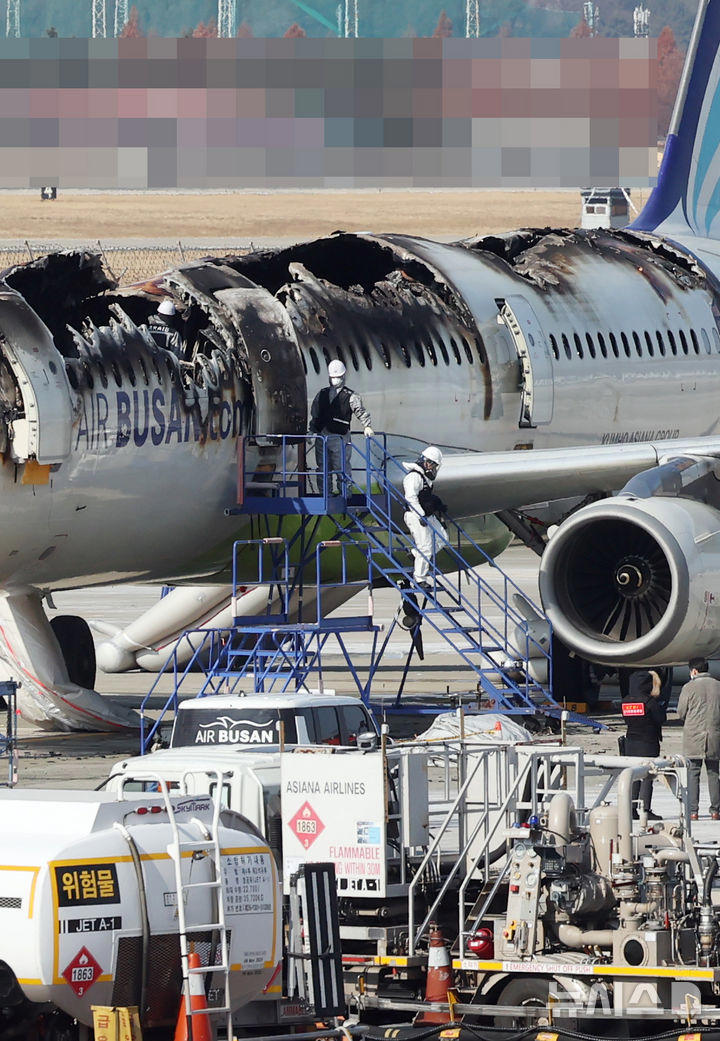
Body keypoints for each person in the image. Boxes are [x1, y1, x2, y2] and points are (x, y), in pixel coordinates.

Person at [309, 360, 373, 495]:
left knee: (341, 466)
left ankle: (345, 492)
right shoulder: (322, 393)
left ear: (343, 377)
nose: (335, 380)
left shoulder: (351, 396)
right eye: (333, 377)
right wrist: (311, 430)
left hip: (340, 437)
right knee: (323, 467)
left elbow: (360, 411)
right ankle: (325, 493)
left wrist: (367, 426)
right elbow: (315, 413)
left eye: (337, 377)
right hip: (322, 435)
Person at [677, 658, 720, 821]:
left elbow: (681, 712)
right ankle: (715, 810)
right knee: (713, 773)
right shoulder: (718, 685)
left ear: (694, 671)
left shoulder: (689, 687)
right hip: (714, 736)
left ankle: (693, 811)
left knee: (693, 773)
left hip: (694, 736)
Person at [402, 446, 448, 591]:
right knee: (426, 547)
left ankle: (415, 554)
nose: (432, 468)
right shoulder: (414, 477)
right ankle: (419, 578)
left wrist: (436, 504)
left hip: (426, 515)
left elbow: (425, 496)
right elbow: (411, 498)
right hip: (415, 515)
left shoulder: (425, 478)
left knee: (442, 538)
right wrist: (420, 514)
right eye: (432, 464)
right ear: (425, 461)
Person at [622, 669, 665, 820]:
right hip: (648, 742)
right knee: (648, 776)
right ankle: (645, 809)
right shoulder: (649, 702)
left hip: (631, 741)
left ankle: (632, 808)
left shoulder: (626, 700)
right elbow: (660, 718)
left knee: (633, 777)